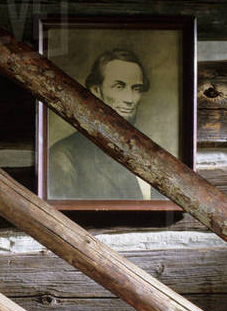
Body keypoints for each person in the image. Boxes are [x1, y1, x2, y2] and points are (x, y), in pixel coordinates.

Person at [48, 48, 150, 201]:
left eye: (136, 89)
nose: (129, 99)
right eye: (119, 86)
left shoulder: (147, 155)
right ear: (96, 90)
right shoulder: (64, 157)